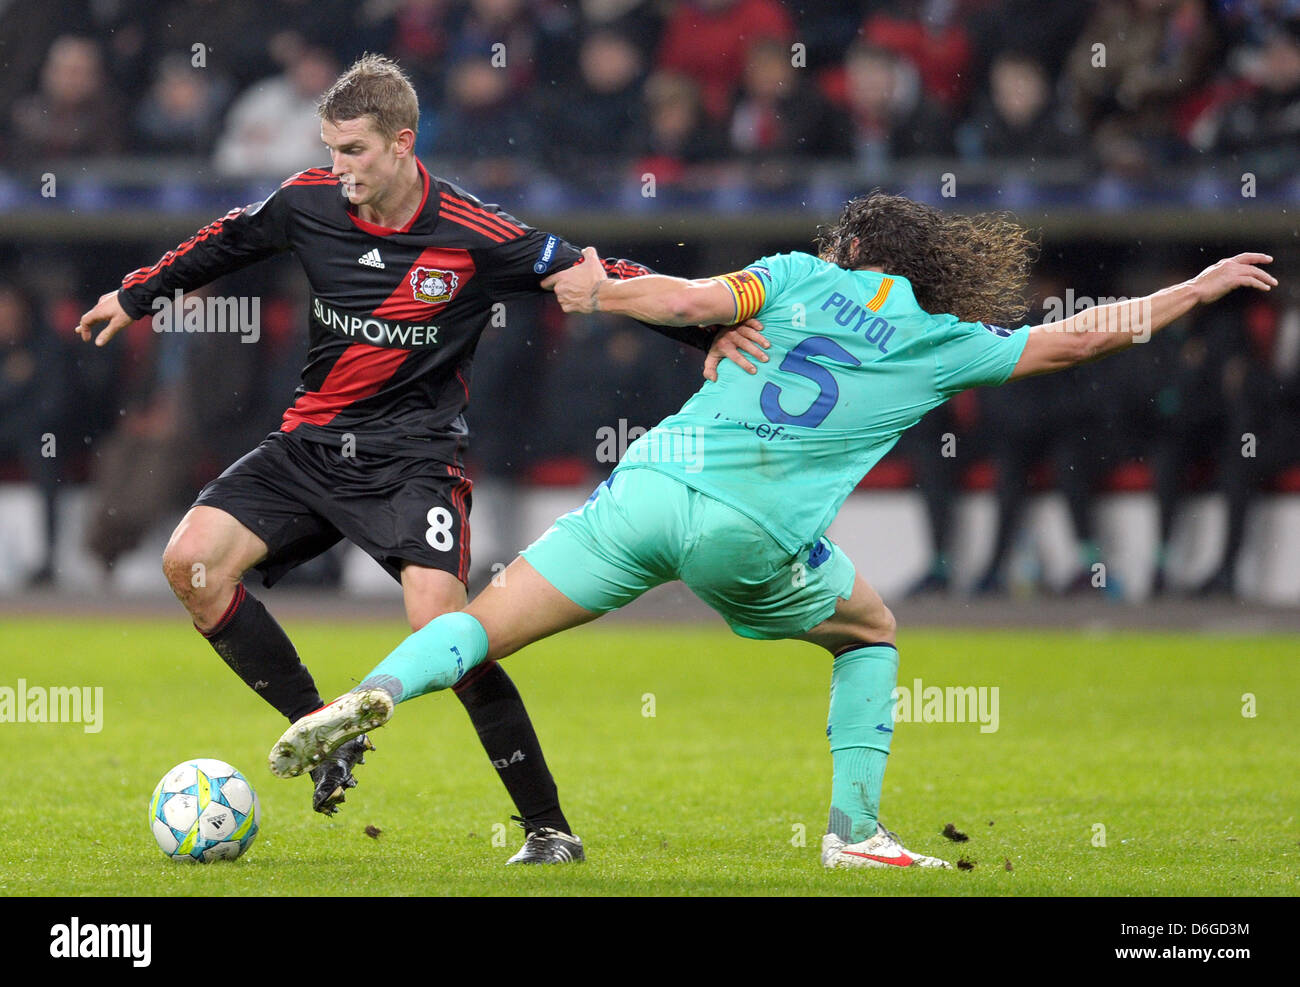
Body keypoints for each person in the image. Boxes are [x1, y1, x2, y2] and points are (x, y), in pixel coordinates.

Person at [268, 191, 1274, 869]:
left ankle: (375, 689)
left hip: (651, 489)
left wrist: (602, 287)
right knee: (869, 629)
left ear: (847, 255)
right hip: (749, 535)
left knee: (484, 625)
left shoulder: (793, 276)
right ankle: (853, 830)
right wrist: (1190, 290)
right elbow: (1069, 343)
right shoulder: (939, 341)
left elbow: (693, 301)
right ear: (919, 271)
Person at [75, 54, 763, 864]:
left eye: (355, 152)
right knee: (191, 564)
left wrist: (704, 326)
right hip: (310, 443)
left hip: (414, 460)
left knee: (449, 631)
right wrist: (135, 295)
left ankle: (548, 827)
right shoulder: (307, 201)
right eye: (331, 149)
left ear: (404, 144)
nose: (339, 169)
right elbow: (224, 243)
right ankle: (322, 729)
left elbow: (594, 273)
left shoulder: (474, 233)